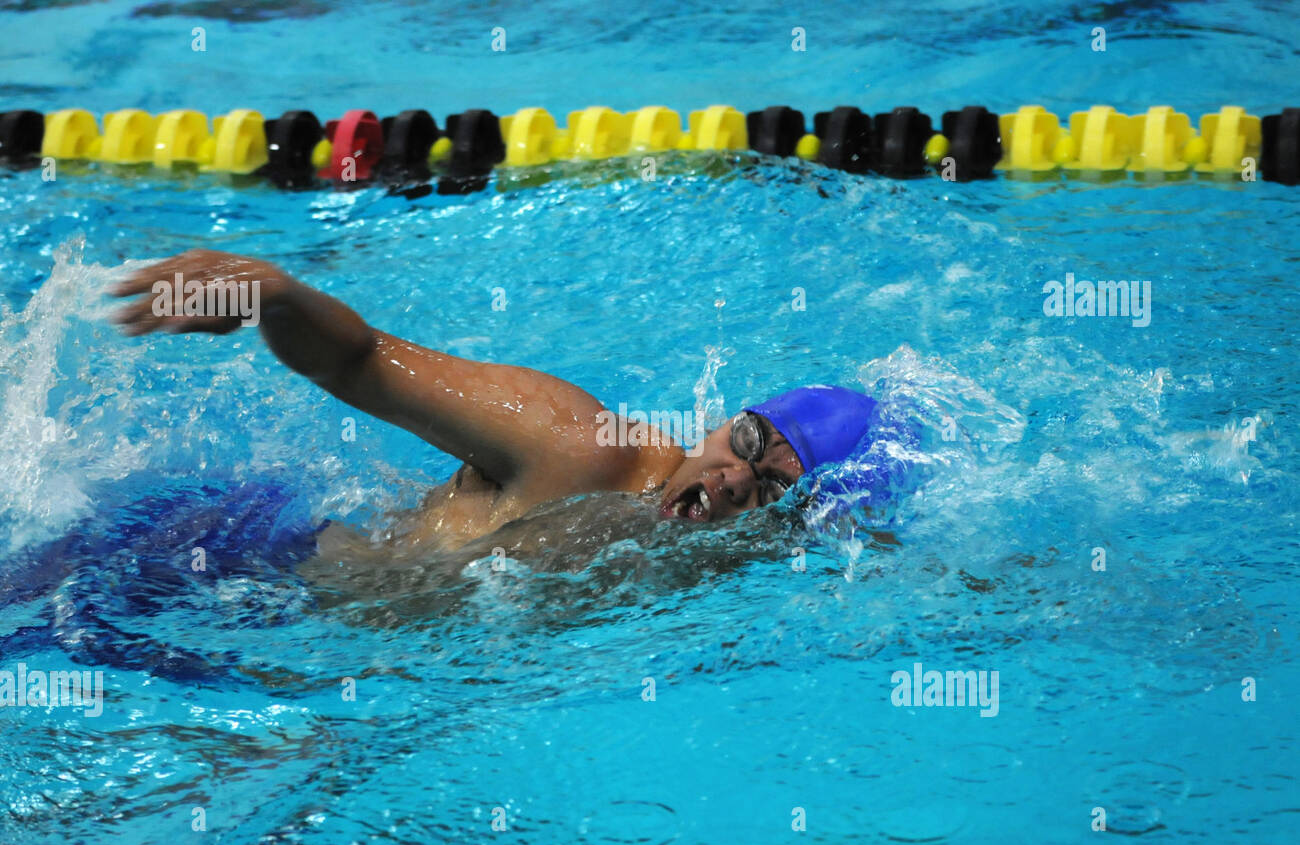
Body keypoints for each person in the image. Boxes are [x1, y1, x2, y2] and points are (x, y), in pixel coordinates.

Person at [109, 249, 884, 553]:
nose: (739, 478)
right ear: (723, 420)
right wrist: (271, 293)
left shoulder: (736, 557)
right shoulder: (588, 447)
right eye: (750, 441)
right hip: (223, 575)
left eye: (777, 483)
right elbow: (363, 360)